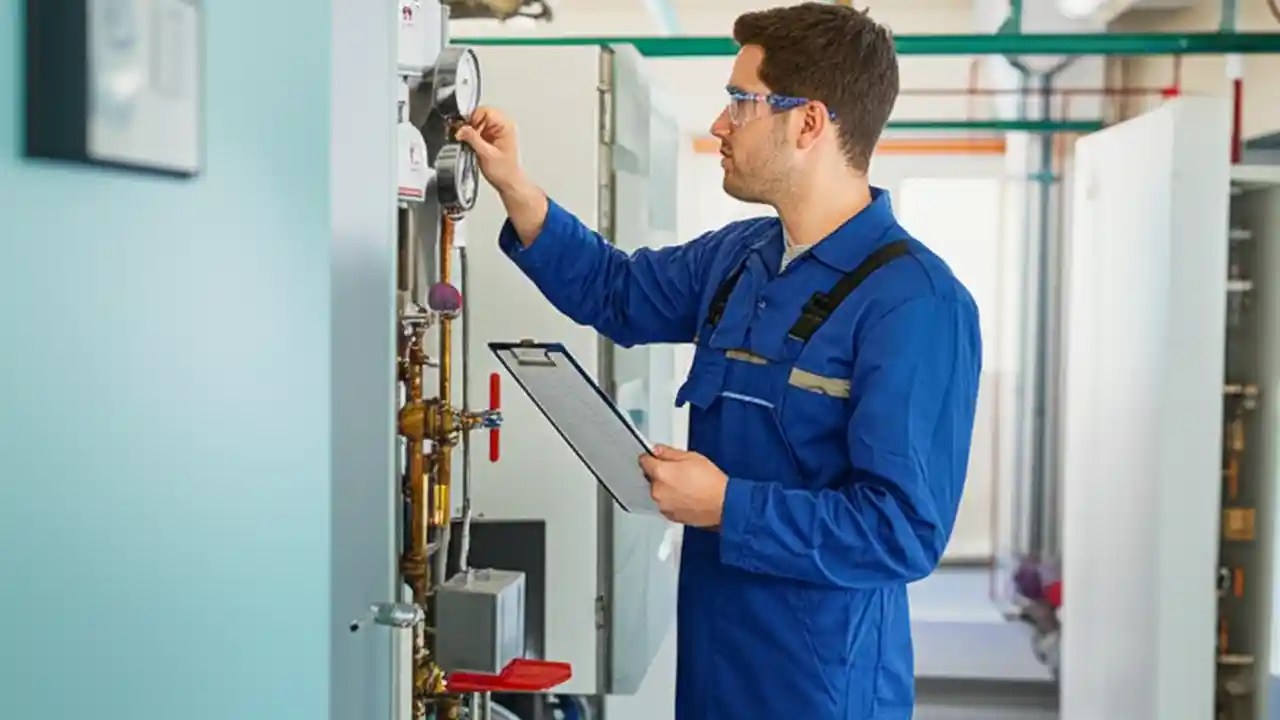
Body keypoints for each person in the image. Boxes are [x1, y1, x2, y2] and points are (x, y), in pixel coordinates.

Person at [457, 3, 982, 718]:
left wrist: (728, 505)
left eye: (742, 101)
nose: (721, 123)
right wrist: (515, 185)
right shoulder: (740, 258)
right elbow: (615, 291)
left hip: (821, 683)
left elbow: (903, 532)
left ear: (808, 123)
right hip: (713, 656)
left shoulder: (916, 303)